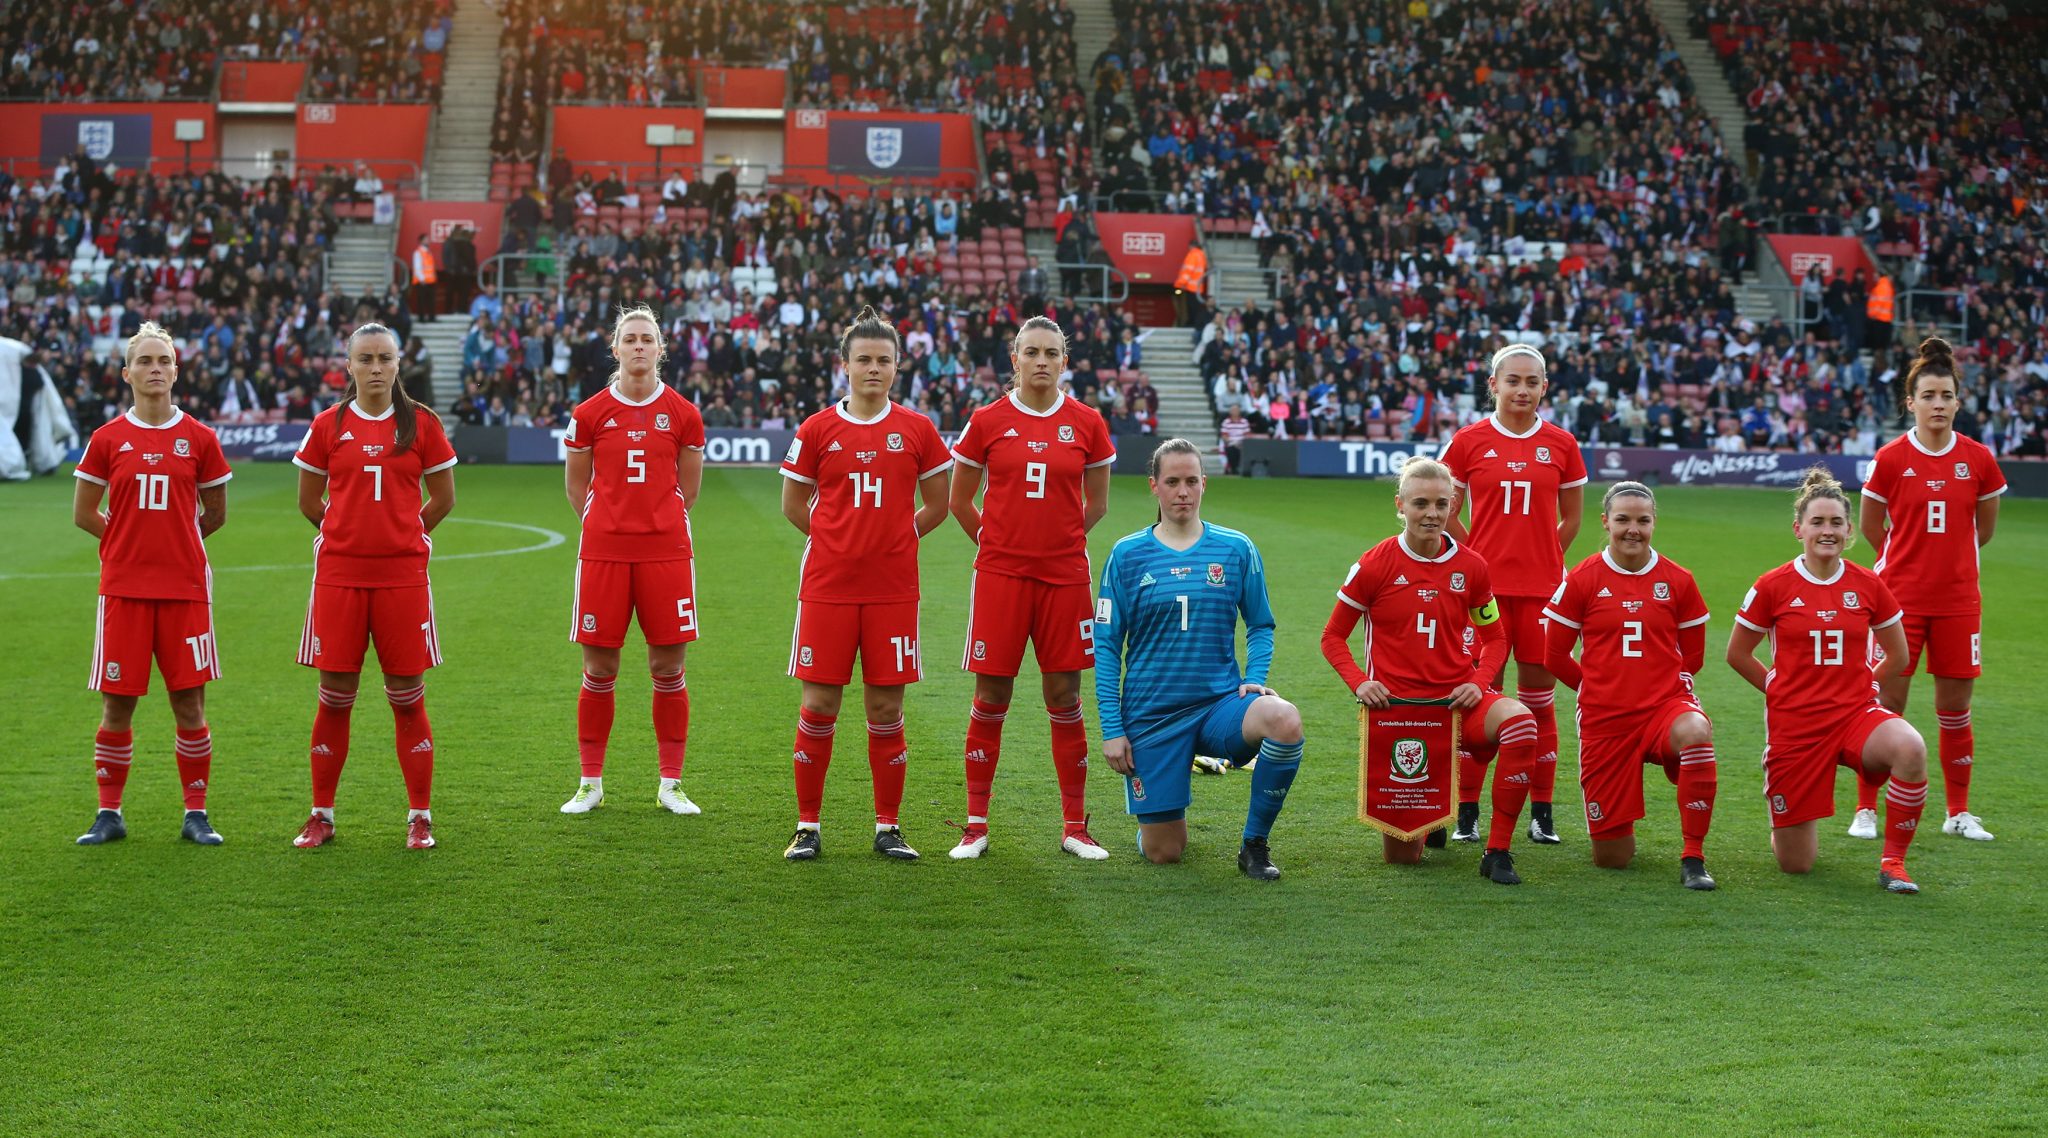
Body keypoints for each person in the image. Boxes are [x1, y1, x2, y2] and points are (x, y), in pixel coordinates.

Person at [777, 308, 953, 861]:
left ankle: (888, 827)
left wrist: (897, 539)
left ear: (897, 367)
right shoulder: (817, 428)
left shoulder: (917, 429)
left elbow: (939, 504)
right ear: (845, 366)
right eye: (864, 360)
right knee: (818, 705)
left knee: (885, 709)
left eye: (883, 360)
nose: (873, 368)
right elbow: (793, 504)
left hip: (892, 591)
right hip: (827, 588)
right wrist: (835, 541)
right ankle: (807, 826)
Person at [1321, 455, 1541, 885]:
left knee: (1521, 723)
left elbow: (1496, 639)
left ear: (1453, 505)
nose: (1432, 513)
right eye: (1421, 503)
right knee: (1402, 859)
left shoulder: (1472, 566)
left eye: (1442, 504)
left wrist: (1478, 682)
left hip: (1457, 703)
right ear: (1400, 505)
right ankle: (1435, 809)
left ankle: (1497, 851)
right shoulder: (1374, 564)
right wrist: (1360, 683)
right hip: (1402, 713)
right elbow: (1332, 637)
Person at [1095, 439, 1304, 878]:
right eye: (1172, 481)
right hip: (1152, 715)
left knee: (1284, 719)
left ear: (1204, 484)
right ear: (1154, 486)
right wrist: (1112, 730)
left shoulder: (1235, 548)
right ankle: (1160, 801)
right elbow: (1107, 645)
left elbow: (1260, 623)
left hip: (1219, 706)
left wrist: (1255, 676)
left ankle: (1254, 844)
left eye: (1191, 481)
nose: (1183, 491)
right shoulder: (1127, 555)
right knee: (1165, 851)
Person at [947, 316, 1114, 861]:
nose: (1042, 361)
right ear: (1014, 358)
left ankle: (1075, 828)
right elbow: (959, 501)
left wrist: (1059, 543)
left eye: (1051, 353)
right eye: (1031, 352)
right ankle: (975, 826)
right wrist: (998, 544)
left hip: (1065, 579)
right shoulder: (986, 421)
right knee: (991, 696)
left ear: (1064, 361)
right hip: (1001, 579)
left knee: (1064, 696)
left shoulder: (1087, 423)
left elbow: (1097, 504)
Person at [290, 323, 457, 850]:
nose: (376, 367)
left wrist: (405, 535)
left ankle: (420, 817)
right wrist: (345, 534)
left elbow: (443, 497)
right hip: (339, 579)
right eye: (366, 359)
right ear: (350, 366)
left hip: (402, 580)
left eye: (385, 357)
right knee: (334, 699)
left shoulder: (422, 423)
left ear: (398, 363)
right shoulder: (328, 424)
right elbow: (308, 500)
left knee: (407, 699)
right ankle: (321, 815)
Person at [1727, 468, 1930, 893]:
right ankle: (1785, 801)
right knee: (1796, 864)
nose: (1827, 531)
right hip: (1797, 727)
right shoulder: (1772, 585)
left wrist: (1866, 686)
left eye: (1836, 522)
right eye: (1817, 522)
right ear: (1798, 529)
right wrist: (1778, 690)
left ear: (1849, 530)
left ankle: (1894, 863)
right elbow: (1738, 654)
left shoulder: (1868, 584)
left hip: (1855, 716)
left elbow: (1899, 655)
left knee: (1911, 747)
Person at [70, 322, 233, 847]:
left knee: (189, 705)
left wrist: (173, 544)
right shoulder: (107, 438)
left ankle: (196, 814)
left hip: (186, 590)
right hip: (124, 591)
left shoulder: (200, 438)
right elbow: (84, 513)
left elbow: (215, 514)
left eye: (164, 360)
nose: (155, 369)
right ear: (127, 374)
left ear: (176, 371)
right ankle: (109, 813)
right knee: (117, 705)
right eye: (144, 361)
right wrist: (127, 543)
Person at [1854, 336, 2006, 842]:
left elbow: (1984, 530)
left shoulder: (1978, 459)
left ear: (1958, 402)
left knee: (1955, 710)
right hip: (1898, 602)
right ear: (1911, 402)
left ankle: (1958, 812)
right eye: (1928, 396)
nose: (1938, 404)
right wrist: (1906, 561)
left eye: (1946, 396)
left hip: (1959, 602)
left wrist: (1950, 562)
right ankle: (1866, 809)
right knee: (1884, 705)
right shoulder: (1890, 458)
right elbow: (1872, 527)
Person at [559, 306, 707, 817]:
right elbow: (577, 487)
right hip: (604, 554)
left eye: (647, 338)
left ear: (660, 349)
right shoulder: (589, 414)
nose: (639, 346)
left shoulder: (684, 414)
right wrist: (609, 522)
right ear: (616, 348)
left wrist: (656, 522)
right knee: (599, 668)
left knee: (668, 668)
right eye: (630, 339)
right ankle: (590, 783)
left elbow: (689, 490)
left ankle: (671, 783)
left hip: (666, 554)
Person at [1439, 344, 1586, 843]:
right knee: (1479, 698)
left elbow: (1573, 518)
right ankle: (1467, 811)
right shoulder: (1468, 441)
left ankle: (1541, 813)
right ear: (1494, 385)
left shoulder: (1562, 443)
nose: (1522, 390)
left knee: (1539, 702)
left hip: (1543, 594)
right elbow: (1446, 509)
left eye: (1532, 381)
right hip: (1485, 595)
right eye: (1513, 380)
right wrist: (1475, 557)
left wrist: (1546, 556)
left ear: (1545, 387)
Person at [1542, 482, 1719, 889]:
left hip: (1664, 709)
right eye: (1623, 520)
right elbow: (1554, 656)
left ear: (1654, 522)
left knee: (1696, 732)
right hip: (1606, 720)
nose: (1633, 529)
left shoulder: (1679, 579)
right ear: (1606, 522)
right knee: (1612, 858)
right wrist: (1596, 689)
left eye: (1643, 520)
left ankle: (1693, 856)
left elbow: (1694, 657)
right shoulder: (1583, 578)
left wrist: (1662, 688)